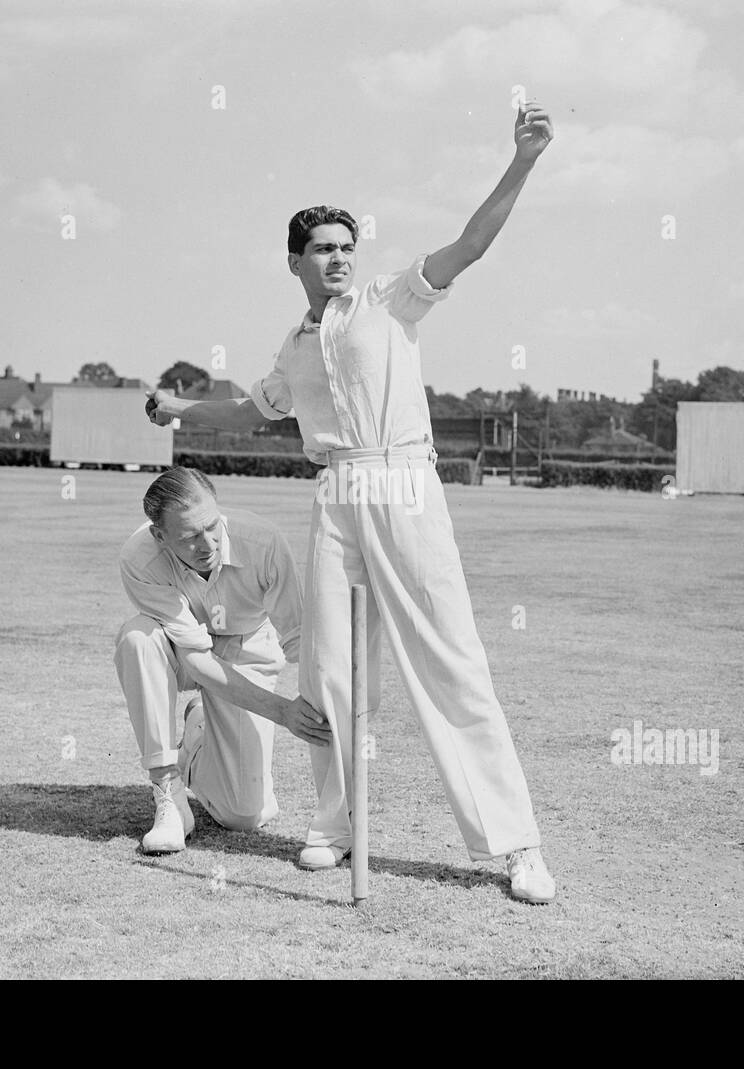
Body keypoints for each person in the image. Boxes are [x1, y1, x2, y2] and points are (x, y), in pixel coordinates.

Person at [147, 102, 557, 903]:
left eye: (345, 247)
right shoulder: (294, 348)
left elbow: (472, 243)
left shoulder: (392, 300)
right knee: (330, 670)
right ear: (294, 261)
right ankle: (333, 824)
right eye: (322, 250)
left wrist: (525, 159)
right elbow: (249, 411)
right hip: (336, 490)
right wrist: (180, 411)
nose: (337, 258)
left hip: (403, 480)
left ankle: (517, 846)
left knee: (449, 661)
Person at [114, 467, 330, 853]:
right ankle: (169, 796)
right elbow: (195, 659)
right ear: (159, 536)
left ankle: (197, 732)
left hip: (247, 649)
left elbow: (298, 639)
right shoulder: (138, 558)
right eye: (189, 537)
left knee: (244, 814)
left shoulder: (264, 544)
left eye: (212, 525)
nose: (208, 543)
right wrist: (283, 713)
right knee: (137, 638)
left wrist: (325, 702)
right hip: (181, 652)